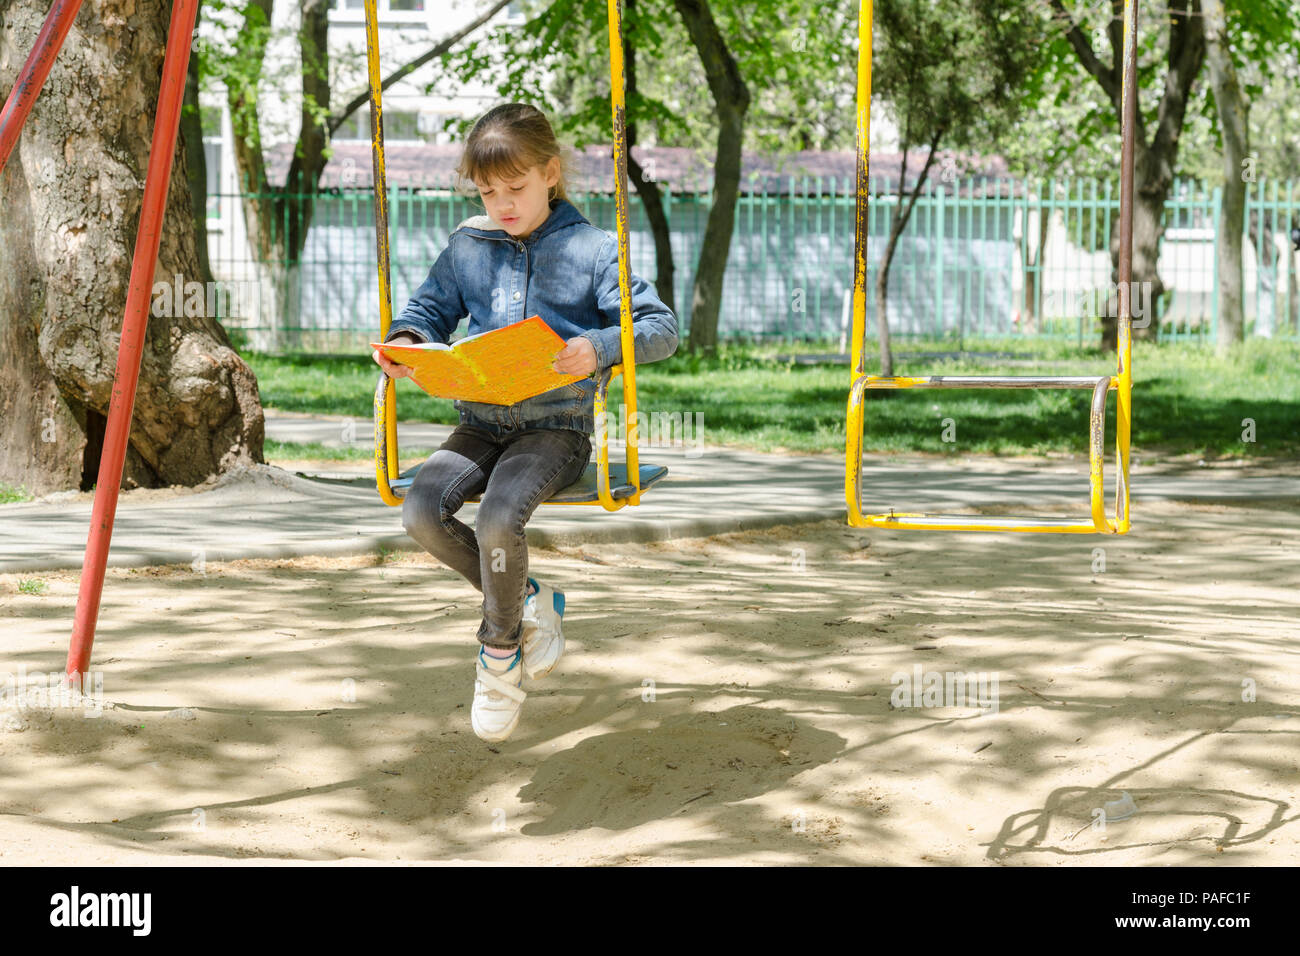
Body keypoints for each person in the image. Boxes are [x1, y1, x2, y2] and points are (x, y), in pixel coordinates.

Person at [373, 102, 678, 743]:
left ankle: (498, 656)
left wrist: (599, 346)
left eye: (516, 188)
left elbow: (660, 329)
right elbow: (427, 309)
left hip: (555, 429)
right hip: (480, 422)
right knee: (420, 512)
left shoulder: (595, 249)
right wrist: (407, 342)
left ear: (550, 173)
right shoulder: (468, 246)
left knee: (495, 518)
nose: (502, 203)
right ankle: (531, 597)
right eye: (488, 191)